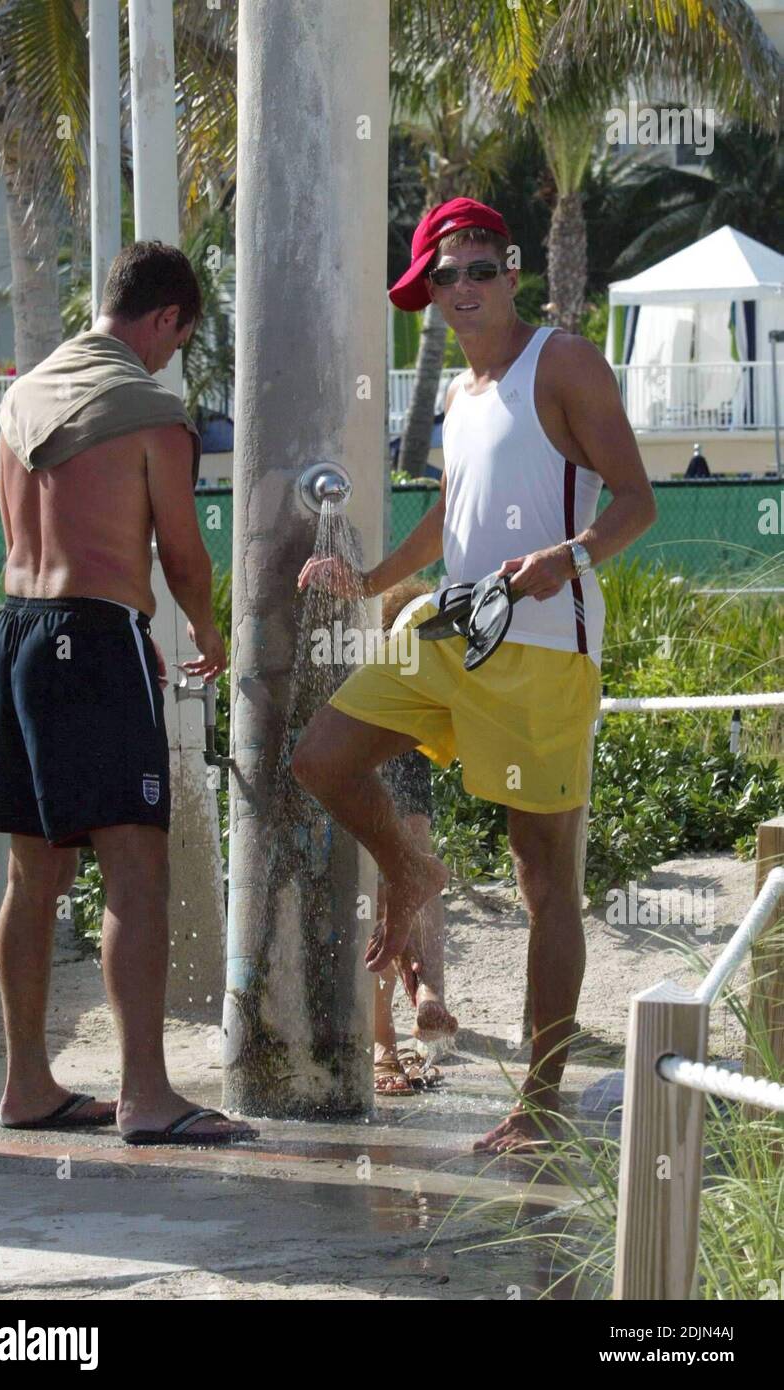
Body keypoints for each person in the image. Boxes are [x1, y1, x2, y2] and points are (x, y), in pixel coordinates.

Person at [293, 197, 656, 1154]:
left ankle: (538, 1104)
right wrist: (368, 582)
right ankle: (412, 865)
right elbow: (449, 513)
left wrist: (566, 557)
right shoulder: (459, 394)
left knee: (547, 887)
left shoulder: (564, 361)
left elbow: (637, 501)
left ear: (510, 270)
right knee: (321, 759)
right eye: (444, 276)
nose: (462, 287)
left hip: (542, 652)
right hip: (449, 627)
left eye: (477, 268)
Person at [0, 241, 257, 1147]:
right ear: (167, 318)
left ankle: (26, 1085)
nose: (168, 358)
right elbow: (181, 552)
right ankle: (147, 1095)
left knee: (34, 872)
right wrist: (213, 636)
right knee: (135, 869)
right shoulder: (148, 410)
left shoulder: (21, 396)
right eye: (175, 340)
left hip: (18, 636)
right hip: (96, 640)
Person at [373, 581, 457, 1096]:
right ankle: (422, 994)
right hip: (404, 733)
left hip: (380, 729)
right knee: (413, 865)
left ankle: (384, 1041)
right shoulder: (426, 684)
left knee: (386, 885)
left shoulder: (376, 668)